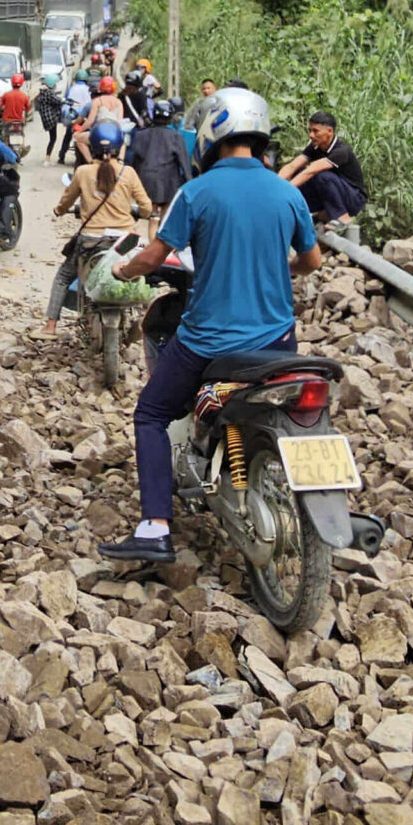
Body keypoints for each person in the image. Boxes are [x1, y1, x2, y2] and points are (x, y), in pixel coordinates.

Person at [96, 89, 322, 564]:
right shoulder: (287, 193)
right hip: (279, 343)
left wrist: (122, 271)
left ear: (212, 135)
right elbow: (311, 261)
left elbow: (156, 255)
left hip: (210, 343)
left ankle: (155, 526)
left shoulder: (196, 192)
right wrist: (279, 268)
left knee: (151, 414)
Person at [44, 118, 155, 334]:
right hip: (124, 241)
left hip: (90, 241)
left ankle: (50, 326)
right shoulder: (128, 173)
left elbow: (66, 200)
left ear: (92, 146)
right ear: (119, 145)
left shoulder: (83, 172)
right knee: (143, 274)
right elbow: (147, 208)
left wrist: (59, 210)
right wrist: (139, 213)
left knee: (64, 276)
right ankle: (143, 320)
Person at [280, 108, 367, 227]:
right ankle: (320, 214)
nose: (311, 135)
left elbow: (311, 171)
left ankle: (343, 218)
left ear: (329, 131)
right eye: (309, 131)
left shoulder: (341, 151)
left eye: (316, 131)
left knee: (322, 176)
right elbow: (292, 166)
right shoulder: (315, 146)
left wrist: (284, 191)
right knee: (298, 172)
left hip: (354, 199)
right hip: (333, 193)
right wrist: (275, 186)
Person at [127, 96, 194, 212]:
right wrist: (190, 185)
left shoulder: (140, 135)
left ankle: (152, 227)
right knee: (165, 213)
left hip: (145, 180)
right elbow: (184, 163)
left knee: (151, 214)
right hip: (169, 183)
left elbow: (134, 160)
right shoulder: (176, 137)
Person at [0, 70, 32, 152]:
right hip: (19, 121)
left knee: (4, 135)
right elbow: (28, 108)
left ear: (12, 83)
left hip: (7, 121)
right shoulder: (24, 96)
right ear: (22, 83)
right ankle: (22, 145)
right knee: (22, 133)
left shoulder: (6, 95)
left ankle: (5, 147)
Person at [35, 74, 66, 159]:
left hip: (47, 119)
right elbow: (58, 101)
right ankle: (47, 158)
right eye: (55, 84)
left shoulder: (42, 93)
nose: (56, 85)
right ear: (52, 84)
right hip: (51, 119)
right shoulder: (49, 93)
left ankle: (47, 157)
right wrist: (63, 100)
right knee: (53, 138)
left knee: (52, 138)